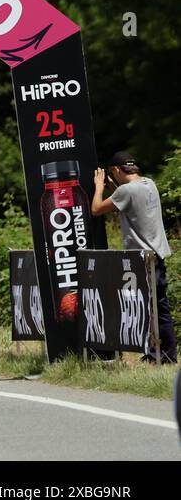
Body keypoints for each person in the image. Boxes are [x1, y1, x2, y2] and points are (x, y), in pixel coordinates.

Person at [92, 151, 176, 364]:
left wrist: (100, 186)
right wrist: (115, 187)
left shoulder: (126, 191)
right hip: (157, 253)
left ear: (117, 170)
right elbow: (128, 199)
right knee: (160, 306)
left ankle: (156, 355)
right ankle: (166, 355)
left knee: (147, 308)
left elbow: (96, 209)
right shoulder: (149, 183)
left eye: (113, 174)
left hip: (142, 258)